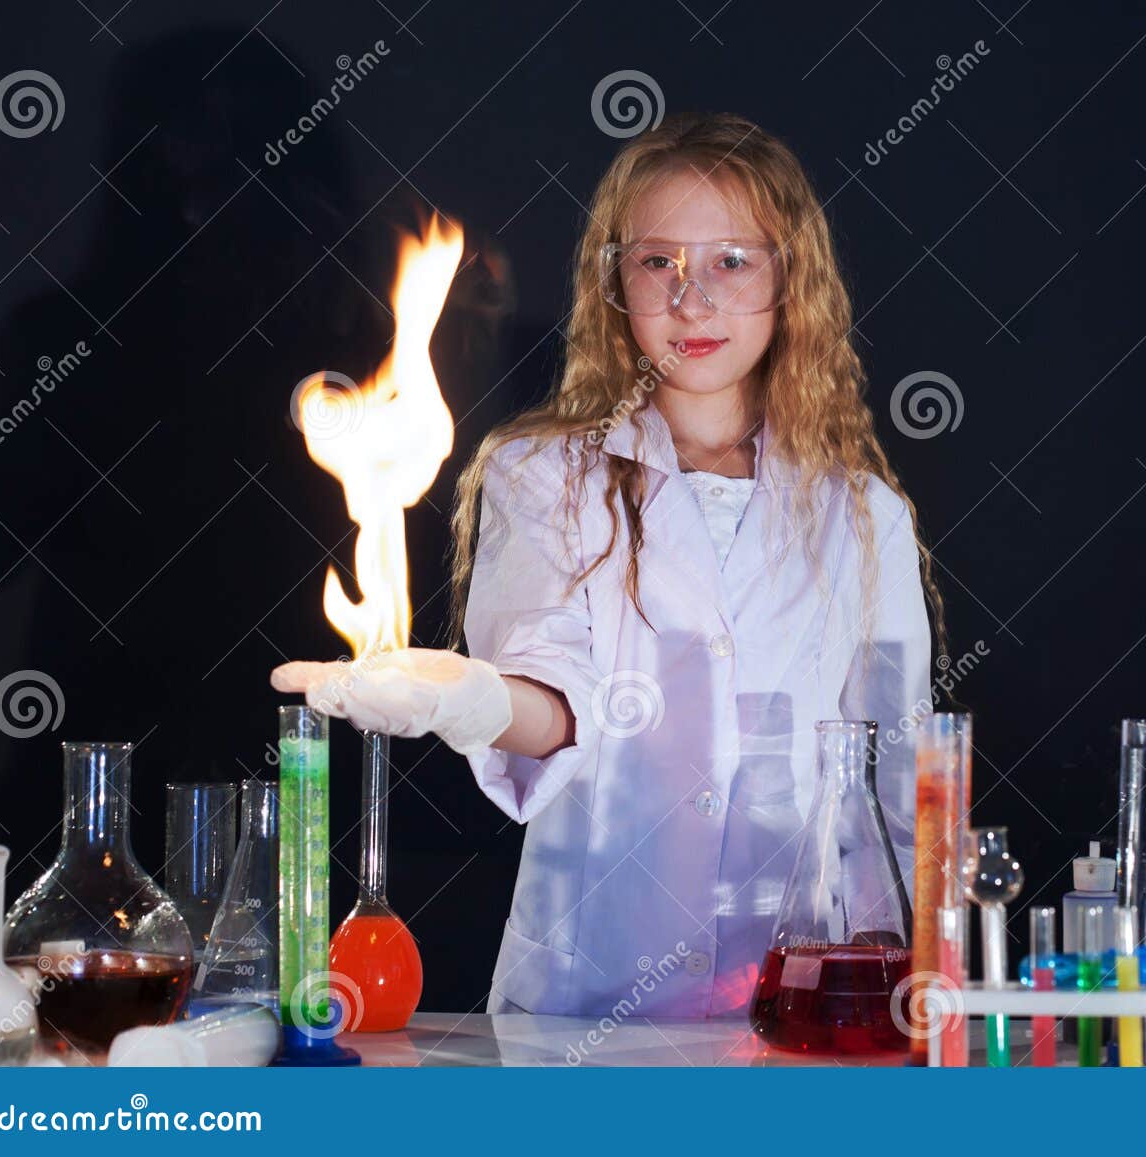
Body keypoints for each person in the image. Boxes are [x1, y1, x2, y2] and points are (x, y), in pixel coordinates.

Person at [272, 112, 946, 1018]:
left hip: (819, 1003)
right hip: (591, 1000)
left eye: (731, 262)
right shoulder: (542, 475)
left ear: (792, 280)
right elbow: (555, 696)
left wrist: (921, 995)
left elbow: (904, 786)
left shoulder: (864, 514)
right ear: (613, 284)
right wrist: (465, 699)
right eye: (657, 262)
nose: (691, 301)